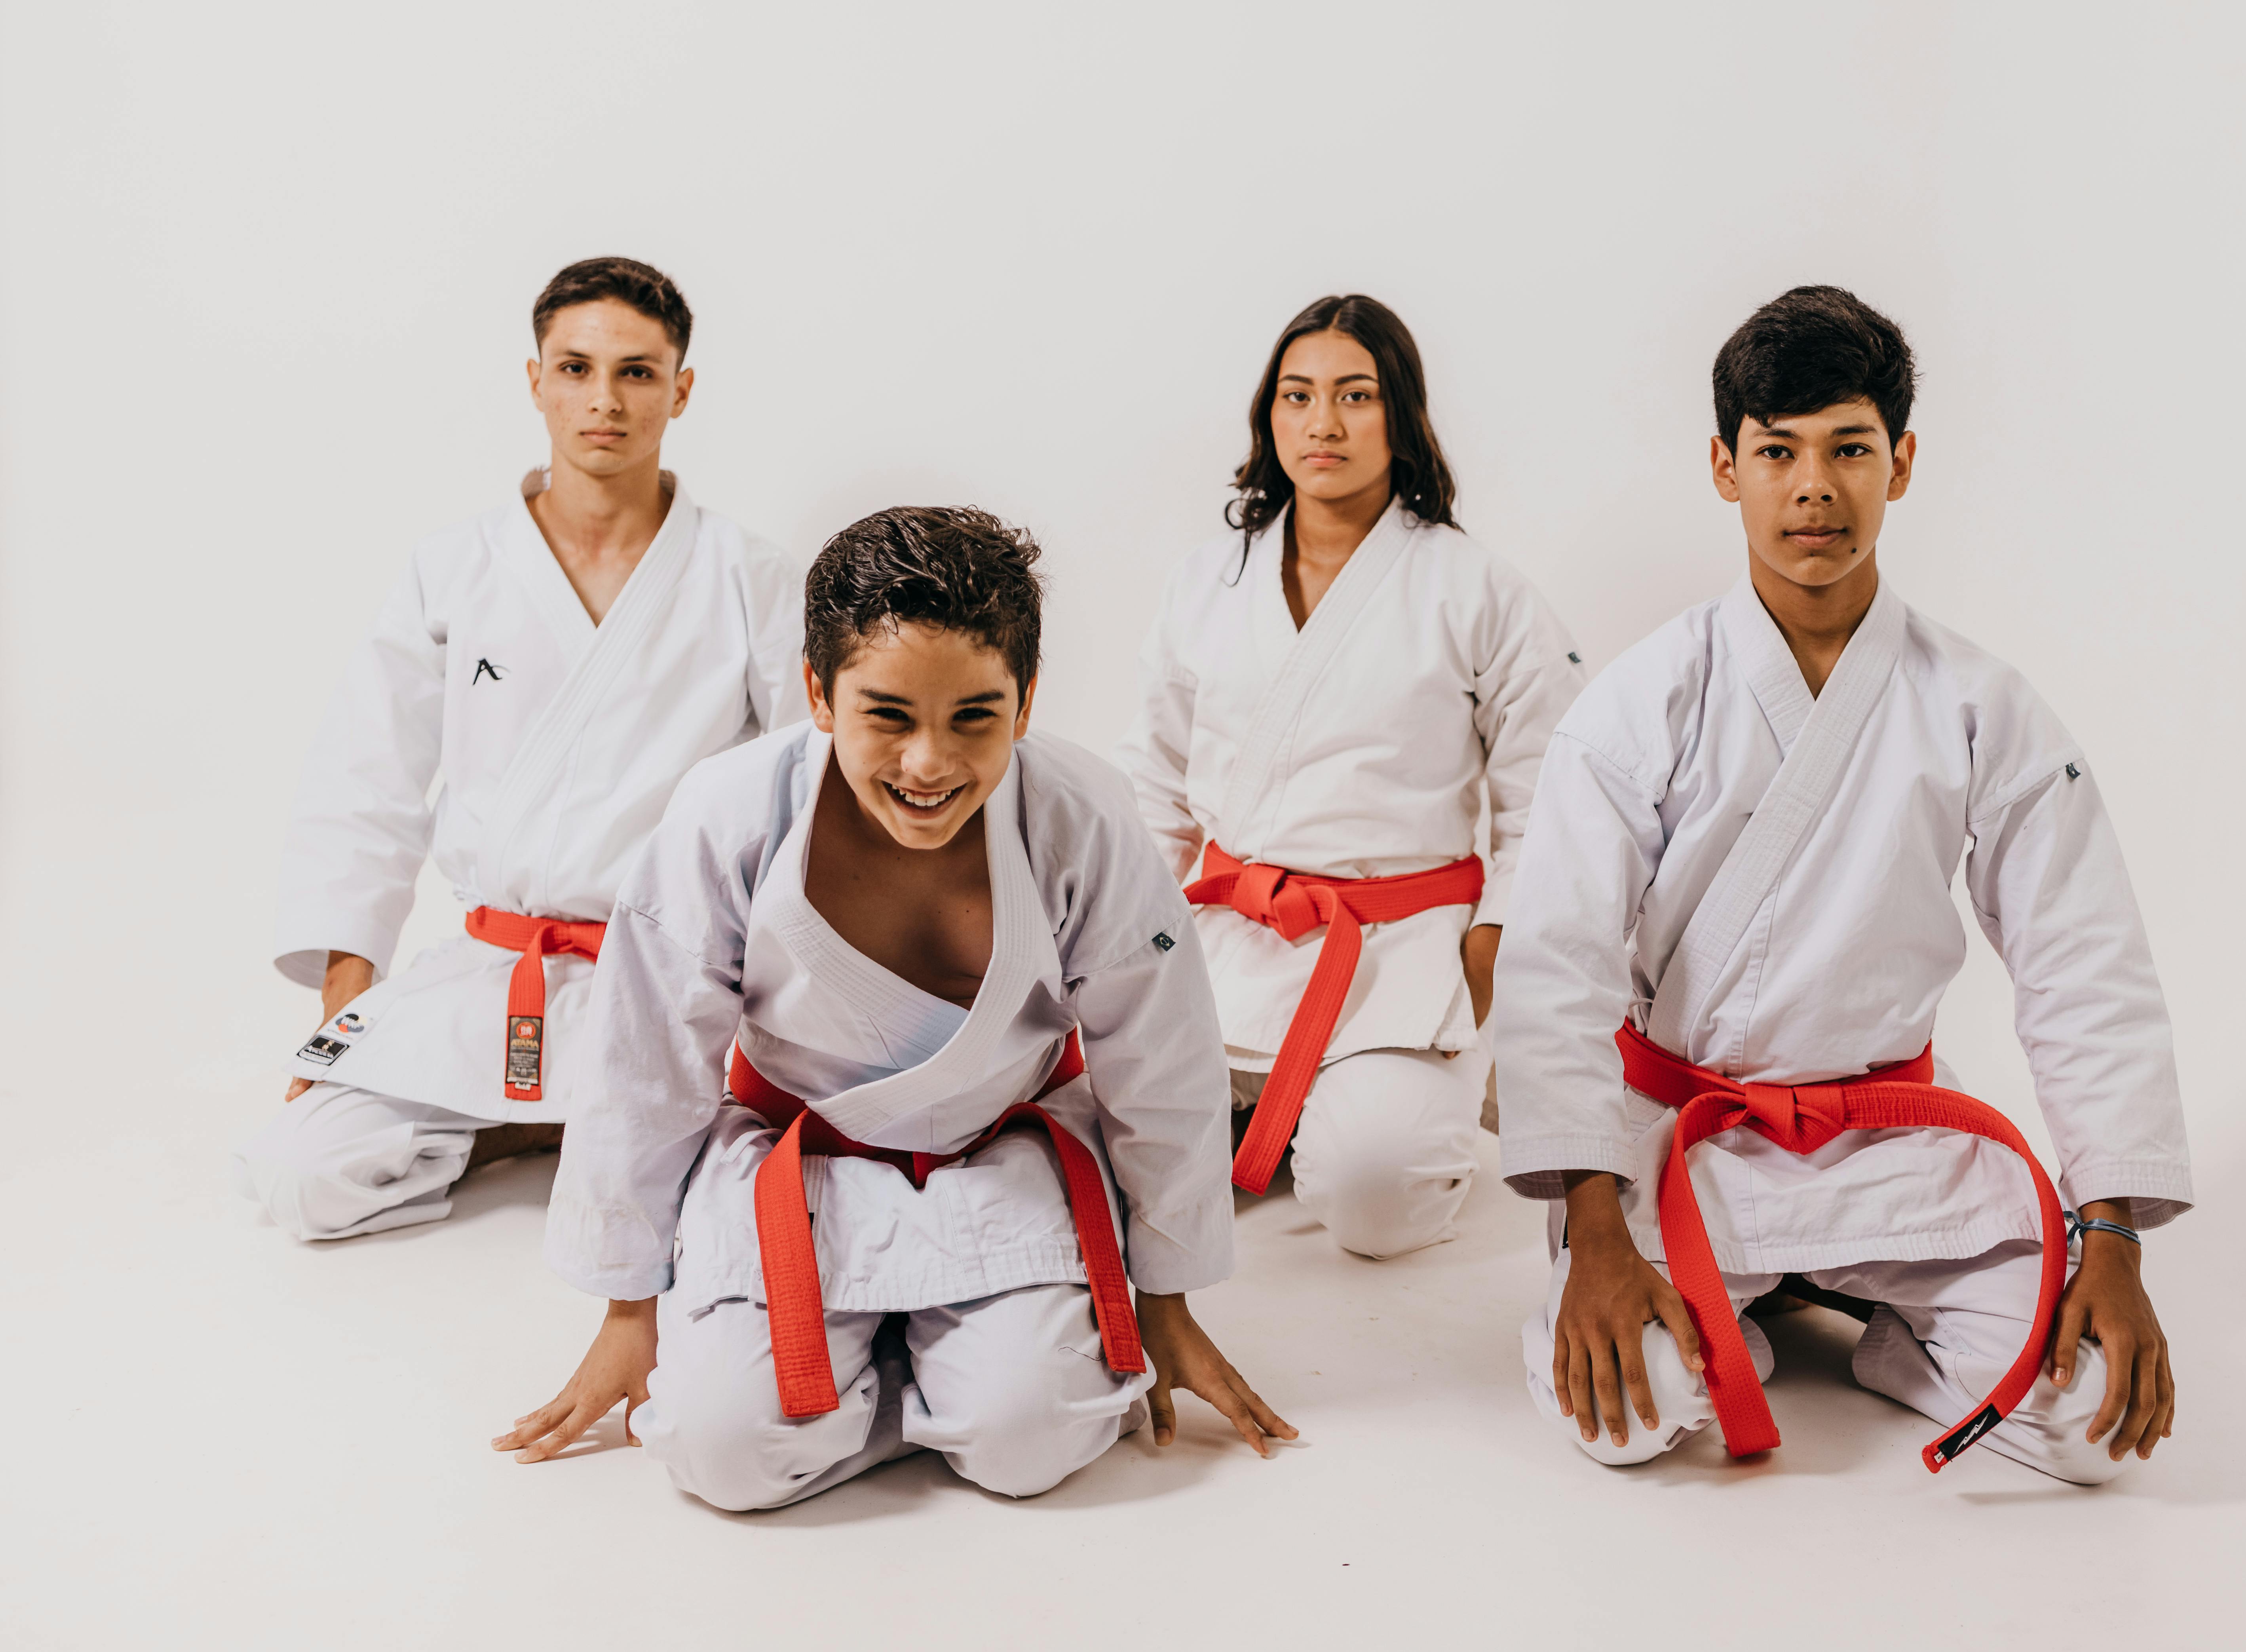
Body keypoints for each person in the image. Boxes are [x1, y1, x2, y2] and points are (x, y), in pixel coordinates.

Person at [1496, 286, 2189, 1482]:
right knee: (1642, 1409)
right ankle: (1726, 1321)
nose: (1812, 485)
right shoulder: (1640, 700)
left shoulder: (1981, 706)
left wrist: (2110, 1238)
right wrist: (1597, 1232)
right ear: (1725, 467)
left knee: (2087, 1425)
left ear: (1900, 463)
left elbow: (2084, 962)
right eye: (1777, 451)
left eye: (1848, 448)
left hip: (1894, 1142)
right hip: (1689, 1146)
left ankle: (1887, 1338)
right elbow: (1555, 963)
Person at [499, 507, 1292, 1508]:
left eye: (973, 716)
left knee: (1028, 1441)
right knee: (722, 1451)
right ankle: (915, 1388)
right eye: (887, 715)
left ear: (1027, 700)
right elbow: (645, 1058)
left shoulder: (1082, 817)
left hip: (1001, 1155)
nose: (928, 763)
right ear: (817, 694)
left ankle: (922, 1385)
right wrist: (628, 1308)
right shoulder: (730, 811)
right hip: (800, 1158)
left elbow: (1160, 1053)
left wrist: (1168, 1295)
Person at [234, 257, 804, 1240]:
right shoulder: (455, 568)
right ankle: (520, 1127)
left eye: (636, 371)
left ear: (681, 388)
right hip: (498, 966)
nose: (604, 400)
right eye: (576, 369)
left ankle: (574, 1121)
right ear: (534, 381)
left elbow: (811, 794)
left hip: (672, 976)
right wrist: (345, 1017)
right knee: (302, 1175)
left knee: (747, 1211)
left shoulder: (746, 575)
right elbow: (369, 779)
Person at [1116, 295, 1583, 1259]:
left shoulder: (1476, 589)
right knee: (1102, 1169)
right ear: (1269, 415)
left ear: (1401, 416)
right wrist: (1132, 936)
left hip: (1395, 949)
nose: (1322, 423)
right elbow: (1155, 777)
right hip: (1229, 943)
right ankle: (1272, 1114)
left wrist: (1494, 935)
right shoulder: (1208, 580)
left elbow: (1545, 786)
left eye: (1354, 396)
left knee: (1379, 1198)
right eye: (1297, 396)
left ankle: (1367, 1107)